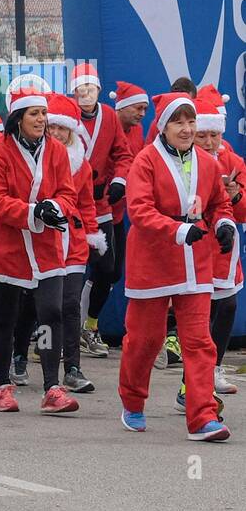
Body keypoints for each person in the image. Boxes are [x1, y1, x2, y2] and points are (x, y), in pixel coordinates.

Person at [119, 92, 233, 441]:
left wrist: (224, 224)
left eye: (191, 122)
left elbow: (219, 204)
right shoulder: (145, 161)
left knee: (199, 342)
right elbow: (138, 210)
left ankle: (201, 417)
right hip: (153, 261)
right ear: (163, 126)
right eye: (178, 122)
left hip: (195, 263)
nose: (186, 129)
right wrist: (178, 229)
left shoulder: (208, 163)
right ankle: (133, 401)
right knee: (145, 340)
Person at [0, 88, 80, 414]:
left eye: (43, 114)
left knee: (52, 311)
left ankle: (52, 387)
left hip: (46, 247)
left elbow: (67, 193)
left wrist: (55, 207)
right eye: (34, 114)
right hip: (6, 248)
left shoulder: (57, 151)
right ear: (17, 118)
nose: (41, 120)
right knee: (6, 316)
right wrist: (33, 212)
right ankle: (3, 385)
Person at [83, 81, 149, 358]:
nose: (142, 113)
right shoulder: (105, 122)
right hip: (92, 207)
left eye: (145, 109)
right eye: (138, 107)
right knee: (94, 268)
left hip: (116, 210)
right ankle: (80, 327)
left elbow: (132, 161)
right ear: (121, 108)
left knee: (113, 272)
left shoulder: (137, 131)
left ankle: (87, 324)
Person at [45, 95, 105, 394]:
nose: (56, 133)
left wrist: (93, 234)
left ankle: (72, 366)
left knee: (69, 305)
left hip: (74, 241)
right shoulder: (39, 157)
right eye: (51, 127)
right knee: (45, 309)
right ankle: (25, 356)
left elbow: (86, 203)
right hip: (42, 241)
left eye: (62, 129)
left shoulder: (81, 162)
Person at [191, 91, 246, 399]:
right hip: (192, 245)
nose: (209, 141)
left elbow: (243, 210)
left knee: (227, 306)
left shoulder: (232, 160)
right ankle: (193, 379)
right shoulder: (183, 160)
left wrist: (235, 195)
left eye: (214, 134)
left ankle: (214, 369)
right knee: (197, 313)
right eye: (203, 135)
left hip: (224, 247)